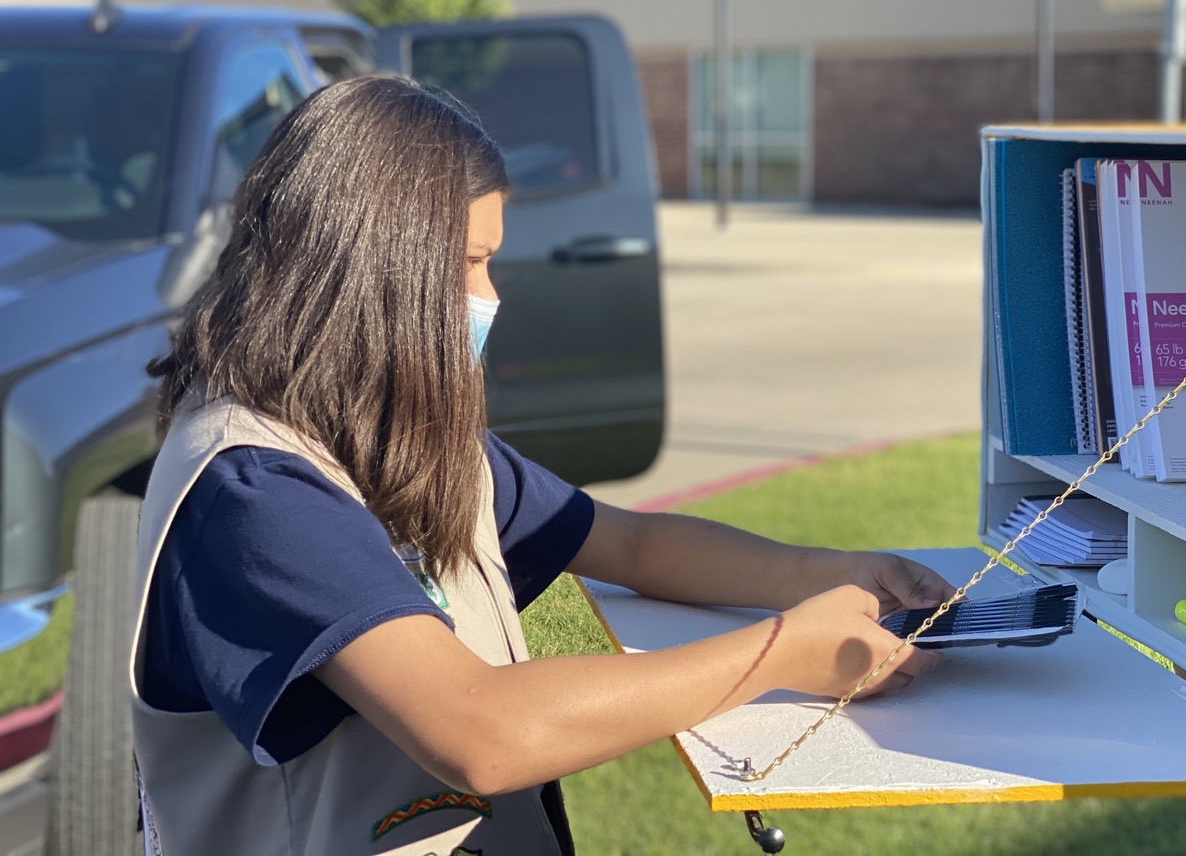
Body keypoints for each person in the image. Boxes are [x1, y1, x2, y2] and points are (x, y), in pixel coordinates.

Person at [130, 75, 951, 856]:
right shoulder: (253, 490)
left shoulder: (389, 431)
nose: (491, 295)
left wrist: (831, 573)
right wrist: (783, 650)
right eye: (468, 264)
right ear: (374, 265)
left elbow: (629, 546)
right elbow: (480, 733)